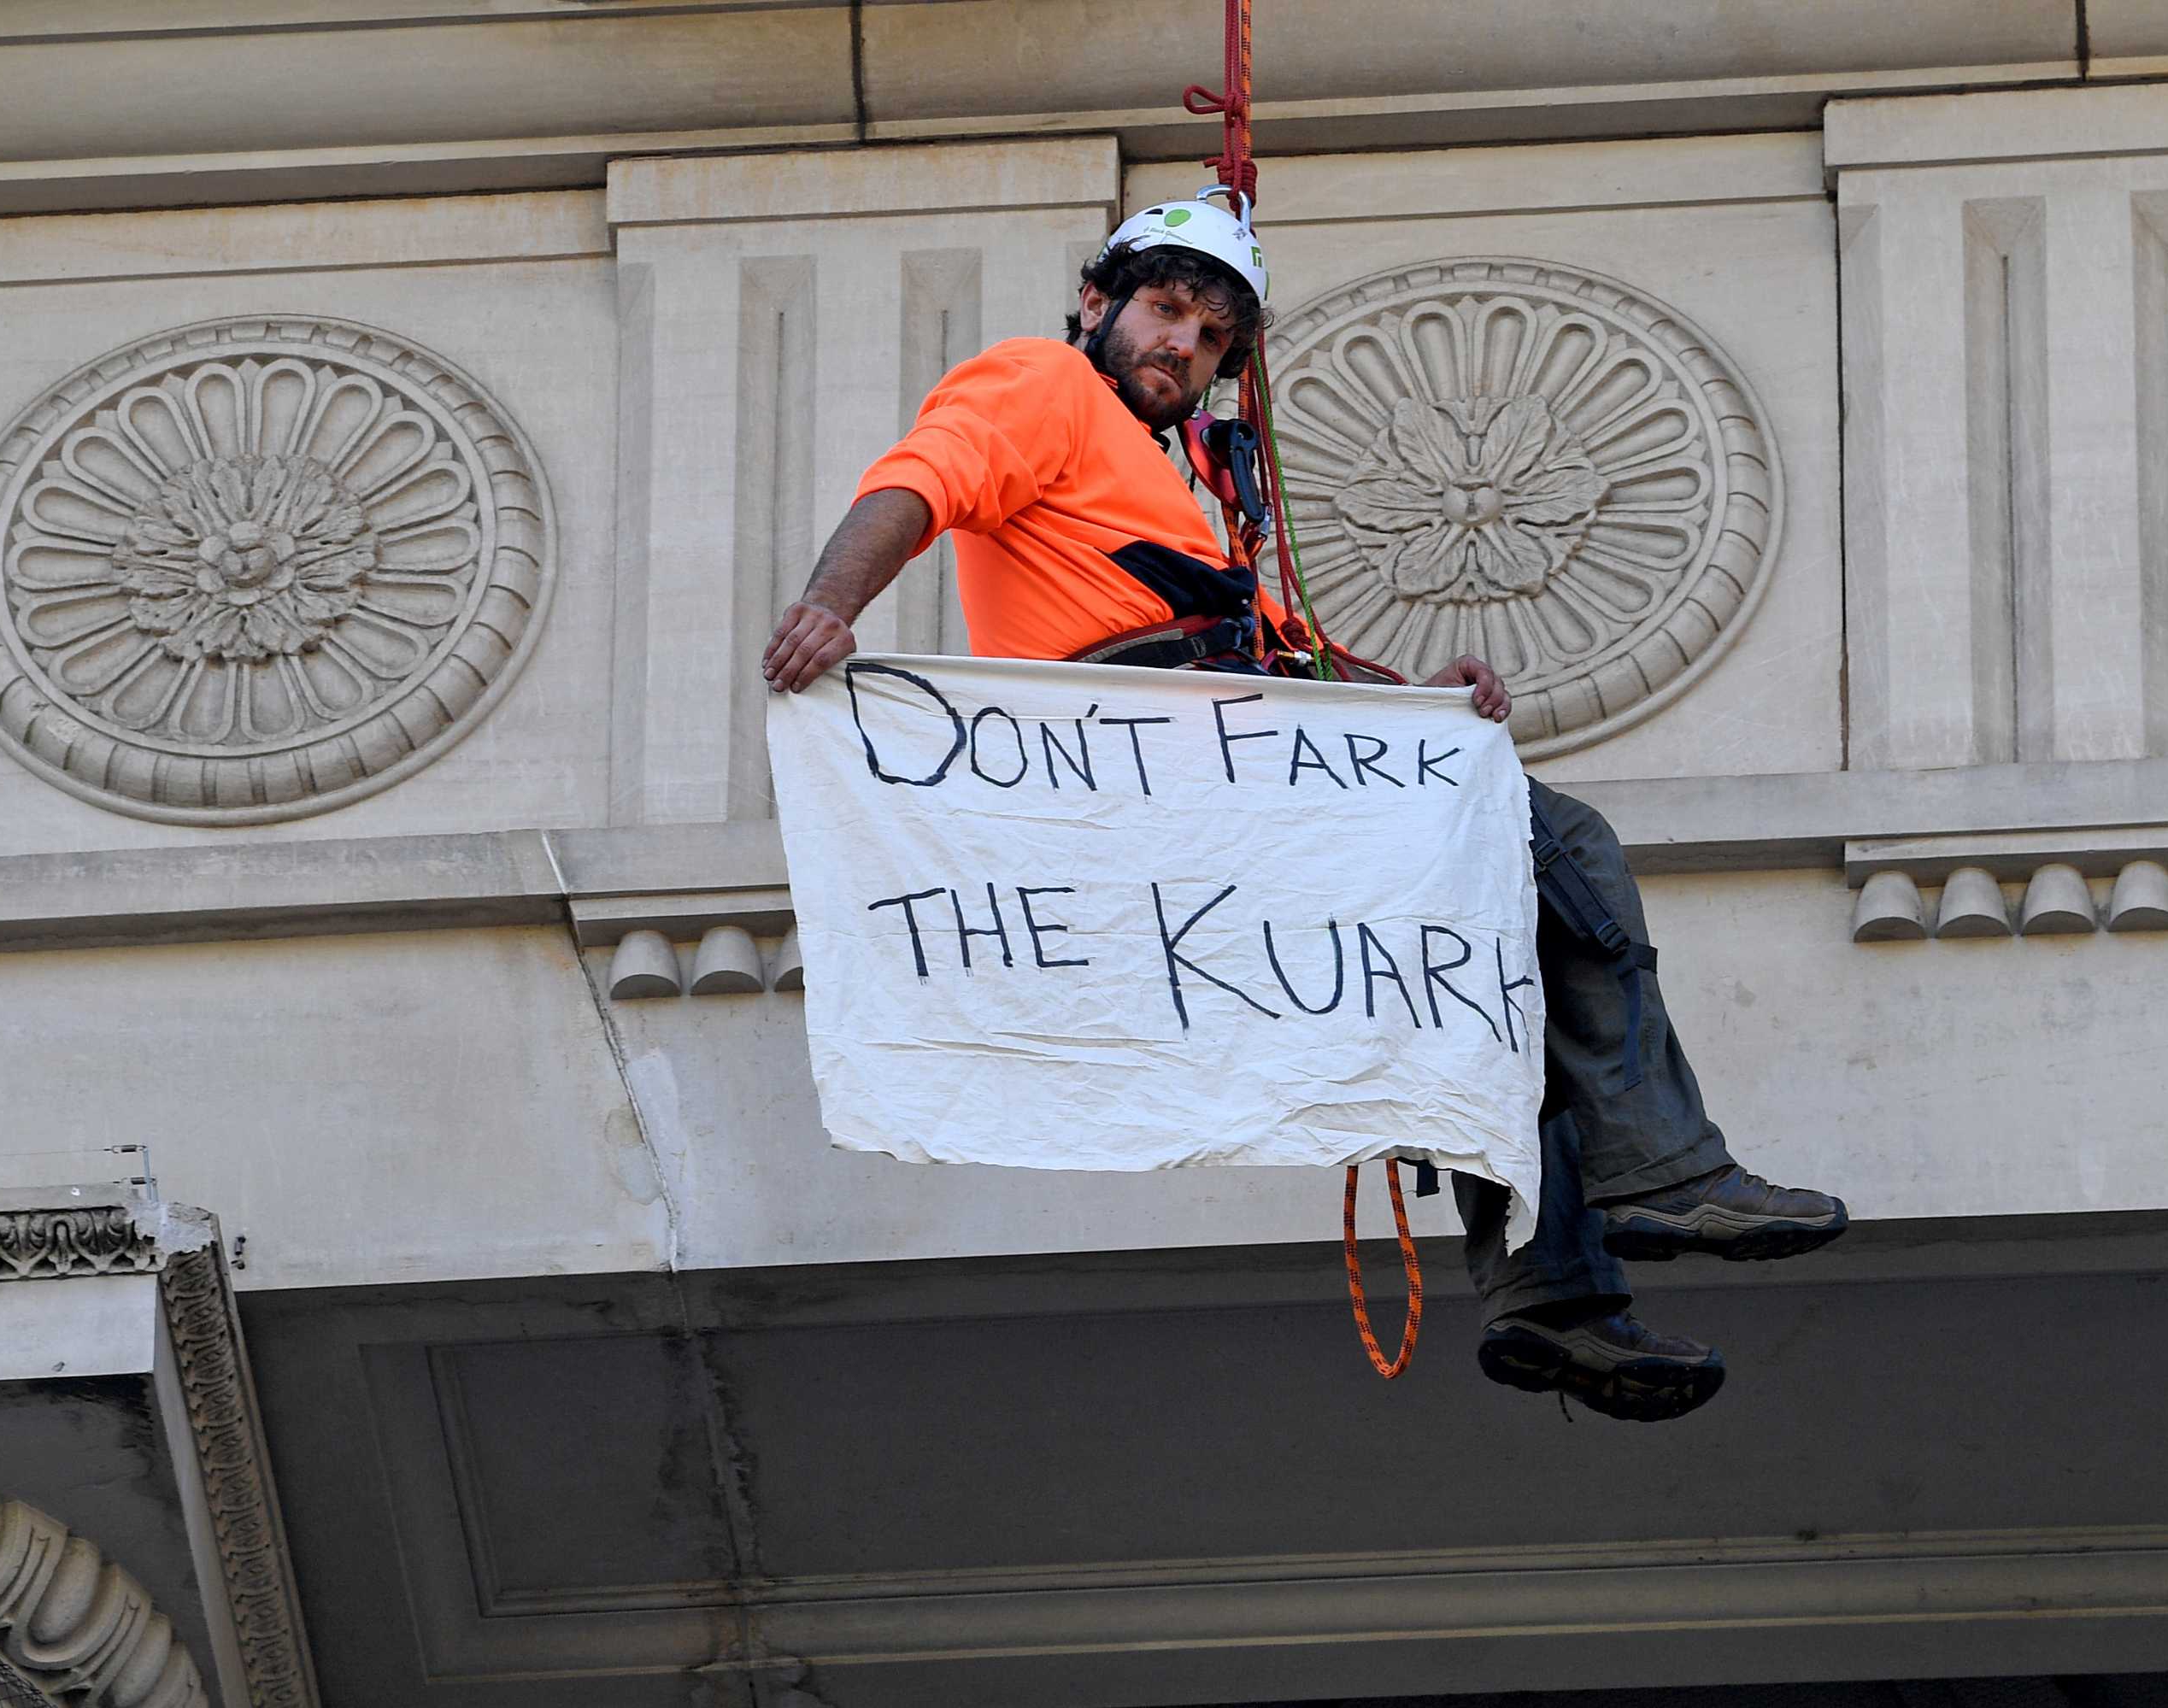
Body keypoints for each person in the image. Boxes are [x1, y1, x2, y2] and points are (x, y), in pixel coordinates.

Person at [761, 191, 1847, 1421]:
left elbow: (1274, 646)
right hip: (1161, 748)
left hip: (1223, 757)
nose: (1186, 347)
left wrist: (1413, 706)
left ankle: (1559, 1299)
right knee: (1557, 845)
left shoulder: (1178, 488)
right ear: (1096, 301)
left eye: (1216, 336)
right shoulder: (1041, 386)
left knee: (1485, 963)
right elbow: (919, 482)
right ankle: (1665, 1168)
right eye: (1167, 309)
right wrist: (830, 605)